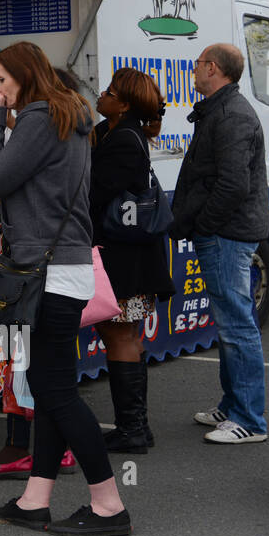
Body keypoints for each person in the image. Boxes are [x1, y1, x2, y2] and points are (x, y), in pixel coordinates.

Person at [0, 42, 131, 536]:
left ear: (23, 76)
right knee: (49, 388)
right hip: (65, 268)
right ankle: (34, 498)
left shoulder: (41, 118)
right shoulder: (68, 115)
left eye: (0, 80)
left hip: (49, 272)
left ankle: (109, 505)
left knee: (56, 392)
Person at [0, 66, 83, 478]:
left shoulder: (46, 126)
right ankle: (43, 473)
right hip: (57, 264)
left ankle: (101, 492)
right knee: (43, 370)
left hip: (42, 266)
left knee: (39, 372)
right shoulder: (73, 127)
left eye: (2, 80)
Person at [168, 43, 269, 443]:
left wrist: (206, 226)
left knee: (237, 325)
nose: (193, 71)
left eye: (197, 65)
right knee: (230, 323)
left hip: (226, 235)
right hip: (223, 232)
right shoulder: (221, 110)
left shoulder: (231, 115)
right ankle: (232, 407)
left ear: (212, 68)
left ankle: (249, 420)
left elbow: (233, 184)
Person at [90, 68, 176, 453]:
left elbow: (94, 191)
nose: (100, 95)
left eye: (108, 92)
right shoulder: (116, 132)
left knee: (119, 334)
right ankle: (135, 426)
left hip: (126, 259)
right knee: (127, 335)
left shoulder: (124, 139)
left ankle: (133, 429)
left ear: (123, 104)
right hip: (130, 256)